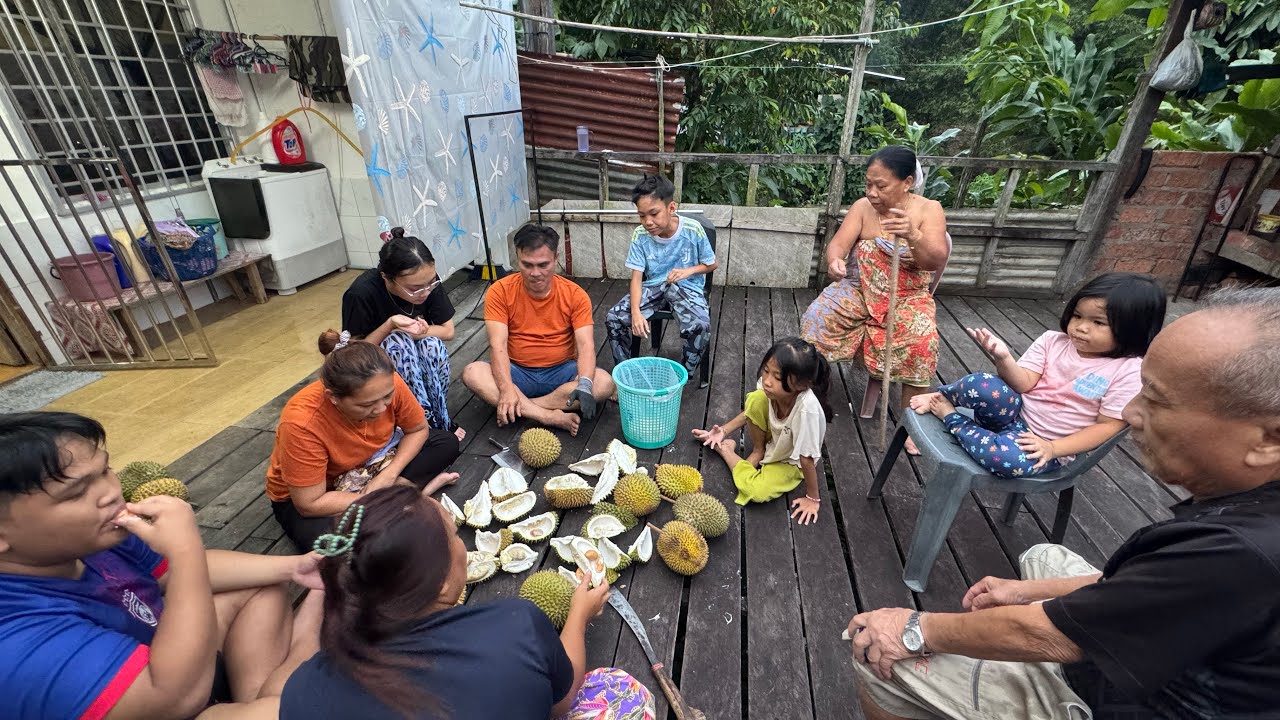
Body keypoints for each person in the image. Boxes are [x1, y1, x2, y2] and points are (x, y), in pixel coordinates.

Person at [847, 287, 1280, 720]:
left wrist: (912, 628)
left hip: (1119, 696)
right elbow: (1137, 586)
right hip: (1154, 648)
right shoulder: (1245, 519)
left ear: (1269, 440)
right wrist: (1025, 591)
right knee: (1044, 556)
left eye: (1156, 399)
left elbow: (1054, 635)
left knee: (879, 661)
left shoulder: (1238, 553)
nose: (1129, 414)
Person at [0, 411, 323, 720]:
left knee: (260, 585)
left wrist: (296, 567)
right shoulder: (16, 640)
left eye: (105, 470)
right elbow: (176, 699)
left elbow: (169, 573)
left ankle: (252, 701)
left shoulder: (84, 541)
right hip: (160, 693)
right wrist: (185, 549)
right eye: (76, 493)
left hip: (164, 652)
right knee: (289, 711)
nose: (110, 493)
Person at [278, 484, 658, 719]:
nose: (463, 544)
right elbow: (563, 700)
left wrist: (332, 581)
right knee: (622, 691)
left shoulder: (303, 691)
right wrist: (578, 616)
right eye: (455, 535)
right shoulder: (515, 625)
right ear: (443, 584)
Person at [909, 272, 1166, 478]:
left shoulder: (1128, 370)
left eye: (1098, 323)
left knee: (1007, 461)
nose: (1081, 327)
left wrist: (1053, 448)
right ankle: (941, 395)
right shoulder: (1054, 341)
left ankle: (950, 417)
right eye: (1077, 316)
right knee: (983, 383)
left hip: (1045, 445)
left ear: (1133, 329)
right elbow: (1024, 383)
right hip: (1014, 414)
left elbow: (1107, 427)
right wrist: (1003, 358)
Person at [801, 145, 949, 455]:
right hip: (858, 289)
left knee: (923, 340)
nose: (871, 192)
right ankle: (810, 397)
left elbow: (935, 259)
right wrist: (835, 261)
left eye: (880, 185)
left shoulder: (928, 209)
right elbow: (837, 246)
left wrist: (914, 235)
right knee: (816, 319)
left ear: (907, 182)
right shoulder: (862, 208)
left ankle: (915, 426)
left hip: (906, 297)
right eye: (868, 184)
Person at [267, 332, 461, 550]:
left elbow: (418, 429)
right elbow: (309, 503)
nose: (380, 409)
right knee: (328, 545)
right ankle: (406, 498)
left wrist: (388, 475)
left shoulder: (387, 382)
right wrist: (376, 496)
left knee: (445, 442)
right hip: (323, 492)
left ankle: (395, 499)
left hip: (376, 464)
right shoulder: (301, 423)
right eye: (365, 405)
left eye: (387, 397)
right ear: (333, 398)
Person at [462, 223, 615, 436]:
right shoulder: (500, 291)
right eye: (527, 265)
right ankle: (547, 415)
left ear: (556, 258)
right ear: (517, 258)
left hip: (562, 372)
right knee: (472, 372)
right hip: (516, 372)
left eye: (543, 265)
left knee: (603, 383)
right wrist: (506, 389)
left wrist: (585, 384)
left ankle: (524, 407)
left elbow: (586, 345)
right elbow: (497, 345)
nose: (535, 273)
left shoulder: (575, 294)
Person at [693, 337, 833, 525]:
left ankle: (726, 451)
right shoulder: (770, 389)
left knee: (755, 491)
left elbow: (806, 459)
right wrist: (723, 431)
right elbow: (751, 410)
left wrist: (813, 498)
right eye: (766, 370)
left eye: (777, 377)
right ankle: (758, 450)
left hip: (791, 460)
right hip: (775, 439)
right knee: (756, 398)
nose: (767, 381)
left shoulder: (807, 410)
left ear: (801, 385)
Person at [341, 227, 460, 436]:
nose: (424, 292)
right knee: (398, 342)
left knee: (430, 344)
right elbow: (351, 355)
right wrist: (390, 325)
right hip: (378, 371)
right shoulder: (361, 293)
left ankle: (438, 414)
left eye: (430, 283)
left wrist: (420, 332)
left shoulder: (426, 281)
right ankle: (417, 419)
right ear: (386, 278)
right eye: (414, 289)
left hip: (422, 362)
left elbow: (448, 331)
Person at [605, 174, 717, 372]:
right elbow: (637, 278)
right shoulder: (640, 236)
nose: (647, 222)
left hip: (687, 287)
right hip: (653, 287)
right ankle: (625, 374)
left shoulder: (693, 229)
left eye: (654, 213)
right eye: (641, 215)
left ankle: (681, 375)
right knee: (614, 318)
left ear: (671, 208)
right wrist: (636, 312)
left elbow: (711, 263)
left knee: (701, 325)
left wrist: (688, 271)